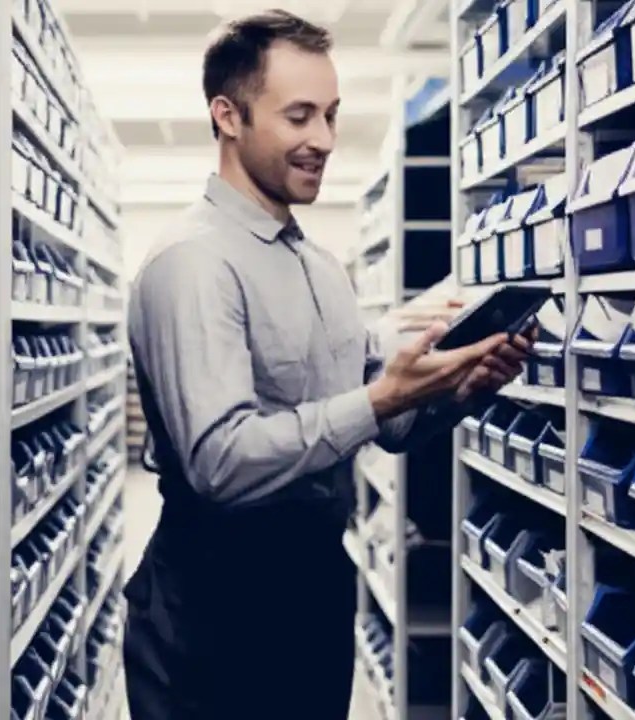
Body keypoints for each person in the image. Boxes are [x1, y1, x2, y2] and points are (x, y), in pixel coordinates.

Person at [123, 10, 531, 719]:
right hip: (214, 600)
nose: (324, 141)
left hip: (312, 581)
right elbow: (221, 461)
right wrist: (378, 401)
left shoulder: (320, 269)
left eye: (333, 116)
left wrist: (456, 388)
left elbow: (390, 429)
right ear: (228, 116)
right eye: (300, 116)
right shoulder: (193, 263)